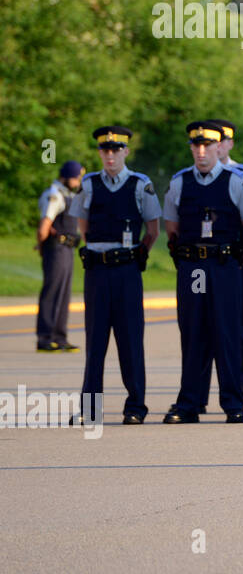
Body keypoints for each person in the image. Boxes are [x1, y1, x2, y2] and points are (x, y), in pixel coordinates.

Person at [162, 121, 243, 423]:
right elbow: (172, 228)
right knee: (193, 331)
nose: (201, 151)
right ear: (191, 147)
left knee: (227, 332)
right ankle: (190, 402)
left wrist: (235, 262)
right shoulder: (180, 183)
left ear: (220, 147)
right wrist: (190, 260)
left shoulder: (236, 181)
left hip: (224, 266)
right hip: (194, 268)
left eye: (208, 145)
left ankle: (233, 402)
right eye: (196, 145)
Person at [70, 128, 159, 424]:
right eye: (105, 150)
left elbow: (153, 229)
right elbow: (82, 224)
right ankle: (90, 410)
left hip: (126, 271)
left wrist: (136, 255)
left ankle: (135, 407)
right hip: (97, 270)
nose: (110, 155)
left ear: (126, 152)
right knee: (95, 342)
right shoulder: (89, 184)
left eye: (116, 149)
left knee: (130, 340)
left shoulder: (139, 184)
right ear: (99, 153)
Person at [210, 120, 243, 413]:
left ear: (229, 143)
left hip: (238, 263)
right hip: (208, 267)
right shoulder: (196, 175)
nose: (217, 145)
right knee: (202, 328)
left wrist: (240, 259)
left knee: (238, 327)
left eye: (224, 139)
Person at [36, 160, 84, 353]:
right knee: (52, 291)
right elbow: (44, 227)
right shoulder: (54, 195)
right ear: (65, 177)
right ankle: (45, 337)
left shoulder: (67, 194)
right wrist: (41, 246)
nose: (78, 181)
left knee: (64, 294)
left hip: (67, 248)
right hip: (56, 248)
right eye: (75, 177)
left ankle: (59, 336)